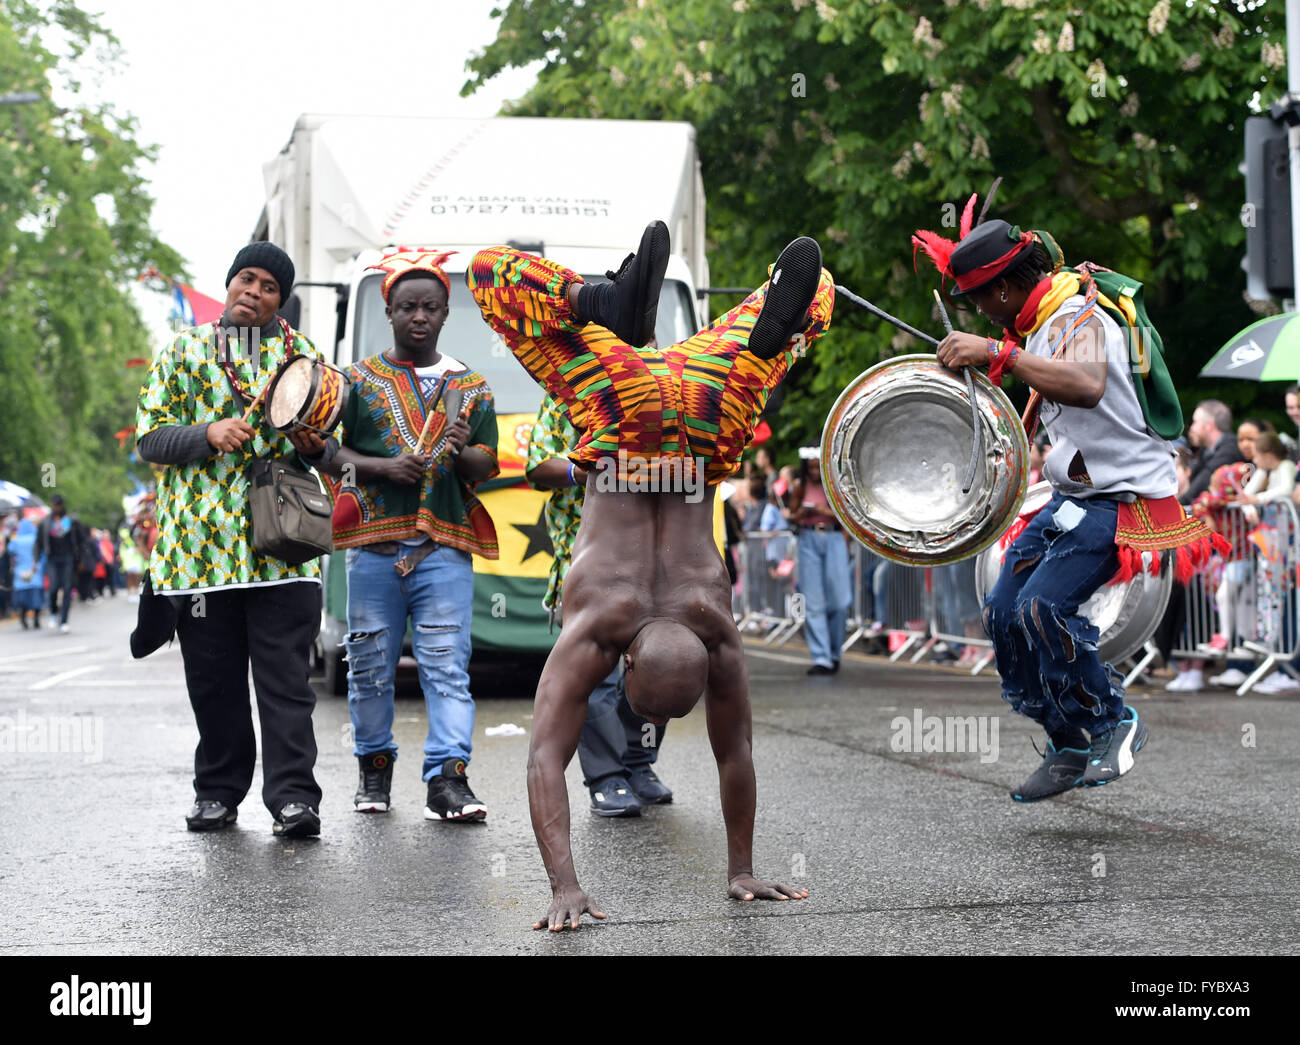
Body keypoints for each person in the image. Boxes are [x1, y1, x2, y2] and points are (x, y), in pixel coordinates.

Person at [467, 221, 829, 929]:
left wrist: (568, 886)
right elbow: (549, 758)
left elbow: (550, 759)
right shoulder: (610, 622)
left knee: (820, 293)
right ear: (627, 659)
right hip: (626, 410)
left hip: (708, 410)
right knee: (490, 277)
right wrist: (737, 869)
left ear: (626, 660)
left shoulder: (711, 626)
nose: (650, 725)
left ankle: (713, 327)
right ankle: (617, 306)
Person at [919, 215, 1225, 800]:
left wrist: (996, 353)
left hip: (1121, 499)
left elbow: (1086, 384)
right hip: (1073, 498)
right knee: (1003, 613)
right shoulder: (1042, 323)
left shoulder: (1079, 313)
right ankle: (1067, 743)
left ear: (1002, 288)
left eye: (978, 298)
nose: (979, 311)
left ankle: (1114, 721)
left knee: (1041, 608)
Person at [136, 242, 327, 837]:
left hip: (284, 548)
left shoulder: (305, 359)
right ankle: (217, 793)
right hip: (199, 553)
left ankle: (294, 800)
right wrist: (207, 433)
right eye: (247, 278)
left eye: (270, 287)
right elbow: (149, 439)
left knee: (286, 683)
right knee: (214, 682)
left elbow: (328, 443)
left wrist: (313, 443)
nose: (255, 292)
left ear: (280, 300)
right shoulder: (184, 350)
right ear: (229, 283)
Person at [310, 249, 499, 821]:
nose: (419, 316)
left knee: (447, 667)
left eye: (430, 307)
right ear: (388, 312)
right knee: (369, 670)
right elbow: (325, 453)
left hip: (442, 550)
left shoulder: (472, 387)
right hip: (372, 549)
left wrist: (462, 450)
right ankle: (374, 770)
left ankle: (448, 780)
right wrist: (381, 468)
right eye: (408, 306)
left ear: (445, 314)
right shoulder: (355, 382)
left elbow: (486, 465)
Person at [526, 392, 673, 817]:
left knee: (657, 667)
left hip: (651, 566)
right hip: (587, 567)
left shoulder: (664, 396)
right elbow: (537, 466)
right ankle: (607, 777)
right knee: (599, 679)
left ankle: (638, 762)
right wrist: (583, 469)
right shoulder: (565, 397)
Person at [786, 448, 850, 675]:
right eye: (810, 467)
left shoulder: (835, 485)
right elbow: (791, 516)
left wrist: (826, 511)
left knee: (839, 601)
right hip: (808, 539)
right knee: (813, 602)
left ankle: (834, 652)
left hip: (834, 538)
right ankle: (821, 657)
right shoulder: (800, 486)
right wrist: (800, 514)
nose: (814, 471)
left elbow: (848, 515)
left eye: (817, 467)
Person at [37, 495, 82, 633]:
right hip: (52, 559)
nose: (55, 508)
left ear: (62, 505)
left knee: (67, 589)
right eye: (53, 505)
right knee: (53, 587)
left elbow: (80, 540)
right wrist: (35, 559)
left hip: (68, 558)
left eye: (57, 505)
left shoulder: (72, 520)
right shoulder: (46, 521)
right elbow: (39, 542)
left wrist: (80, 559)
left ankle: (64, 621)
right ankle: (53, 612)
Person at [9, 518, 45, 630]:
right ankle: (36, 619)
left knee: (22, 599)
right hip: (35, 572)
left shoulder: (16, 540)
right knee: (36, 598)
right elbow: (43, 554)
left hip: (21, 574)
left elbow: (10, 550)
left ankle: (23, 618)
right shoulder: (35, 538)